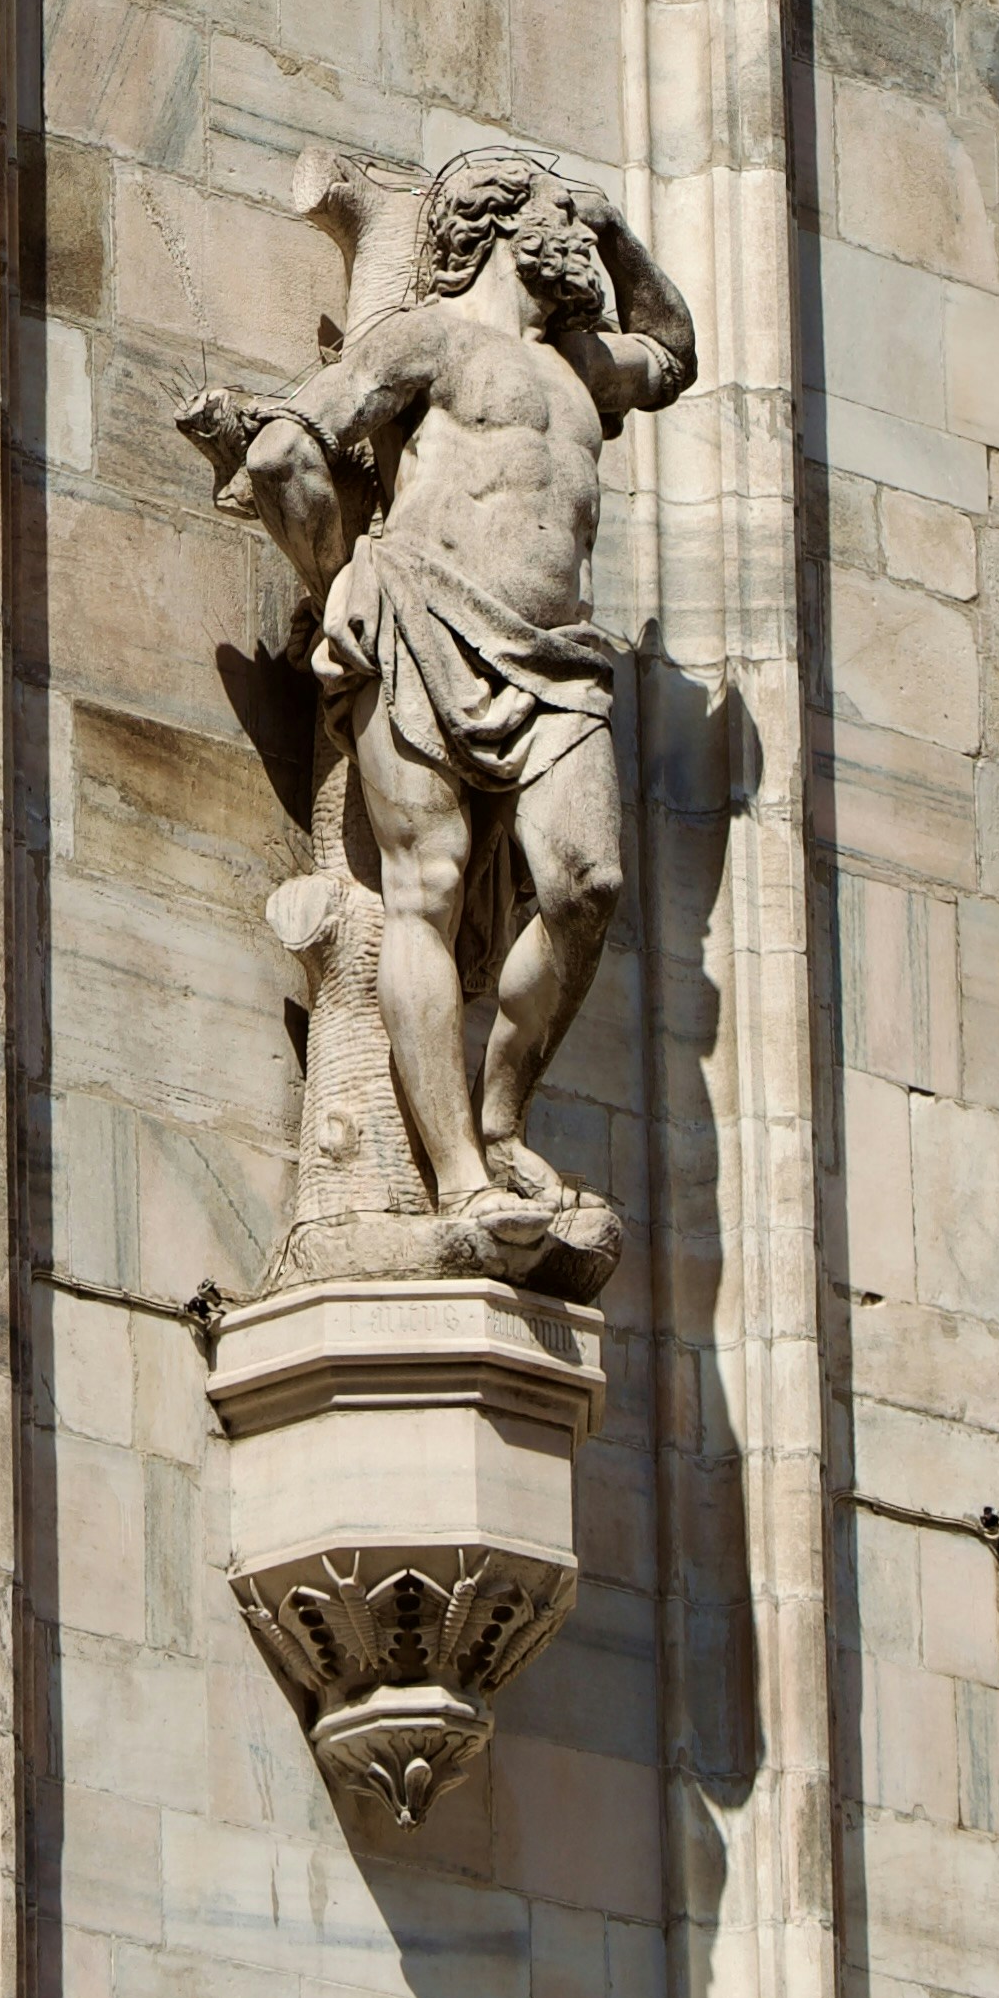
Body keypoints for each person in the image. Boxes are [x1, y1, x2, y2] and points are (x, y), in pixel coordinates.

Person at [222, 151, 696, 1234]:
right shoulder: (428, 340)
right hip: (422, 620)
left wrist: (617, 232)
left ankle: (497, 1117)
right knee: (423, 886)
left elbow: (675, 354)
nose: (574, 231)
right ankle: (460, 1182)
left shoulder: (586, 366)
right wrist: (334, 575)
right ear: (492, 222)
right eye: (556, 213)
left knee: (585, 888)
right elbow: (283, 448)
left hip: (559, 661)